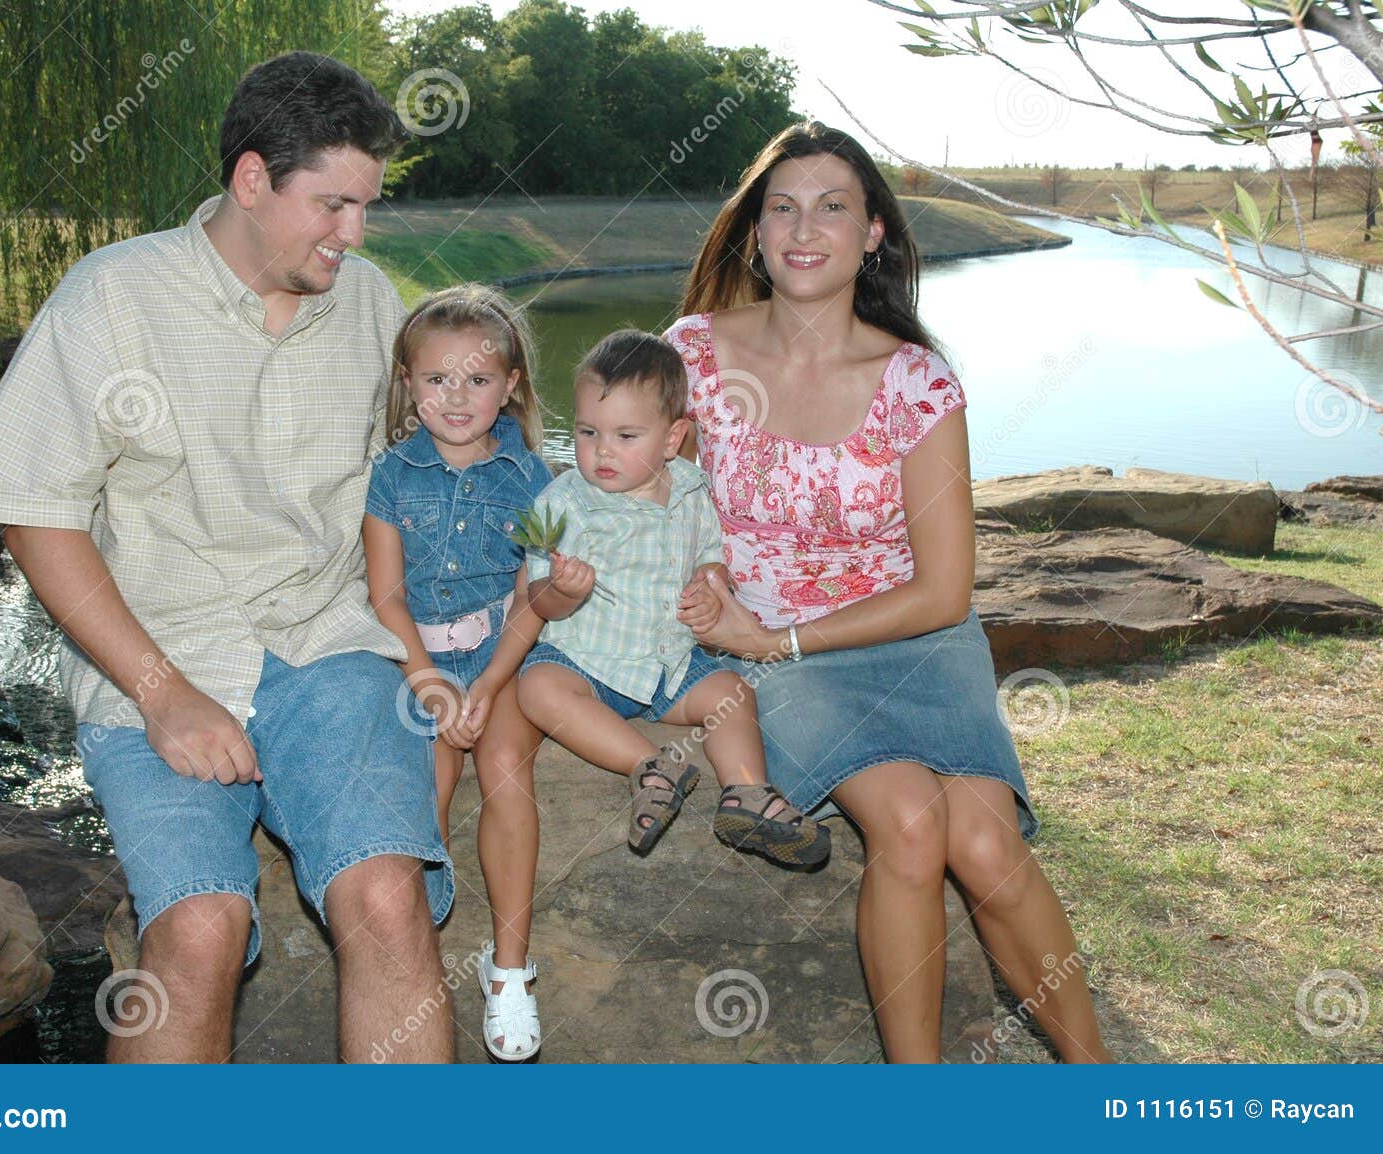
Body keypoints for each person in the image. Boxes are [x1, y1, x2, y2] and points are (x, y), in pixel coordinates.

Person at [0, 52, 455, 1063]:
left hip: (326, 647)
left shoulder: (366, 305)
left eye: (366, 207)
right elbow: (33, 511)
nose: (353, 236)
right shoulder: (113, 297)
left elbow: (428, 477)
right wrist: (162, 690)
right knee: (196, 930)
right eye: (333, 205)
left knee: (389, 899)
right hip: (160, 655)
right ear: (253, 180)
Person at [664, 120, 1111, 1062]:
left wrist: (778, 642)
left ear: (873, 232)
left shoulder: (915, 380)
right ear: (752, 232)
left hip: (909, 640)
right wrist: (703, 580)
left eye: (833, 206)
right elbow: (644, 495)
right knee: (910, 821)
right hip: (765, 647)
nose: (802, 228)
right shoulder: (696, 357)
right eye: (780, 207)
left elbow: (948, 589)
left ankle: (1098, 1083)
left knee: (986, 847)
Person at [516, 329, 830, 869]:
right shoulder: (565, 499)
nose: (601, 451)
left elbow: (711, 560)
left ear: (671, 437)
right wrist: (561, 592)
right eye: (588, 432)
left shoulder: (691, 488)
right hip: (586, 662)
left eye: (626, 436)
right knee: (539, 687)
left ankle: (746, 792)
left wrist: (711, 590)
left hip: (671, 666)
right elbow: (539, 600)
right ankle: (652, 766)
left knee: (730, 690)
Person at [362, 285, 551, 1062]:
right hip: (418, 656)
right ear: (409, 383)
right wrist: (429, 680)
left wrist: (487, 682)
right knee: (427, 785)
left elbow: (534, 594)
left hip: (506, 654)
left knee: (504, 769)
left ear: (510, 385)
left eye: (477, 379)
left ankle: (510, 971)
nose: (456, 396)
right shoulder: (390, 475)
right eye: (437, 379)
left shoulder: (538, 479)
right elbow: (385, 594)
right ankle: (418, 964)